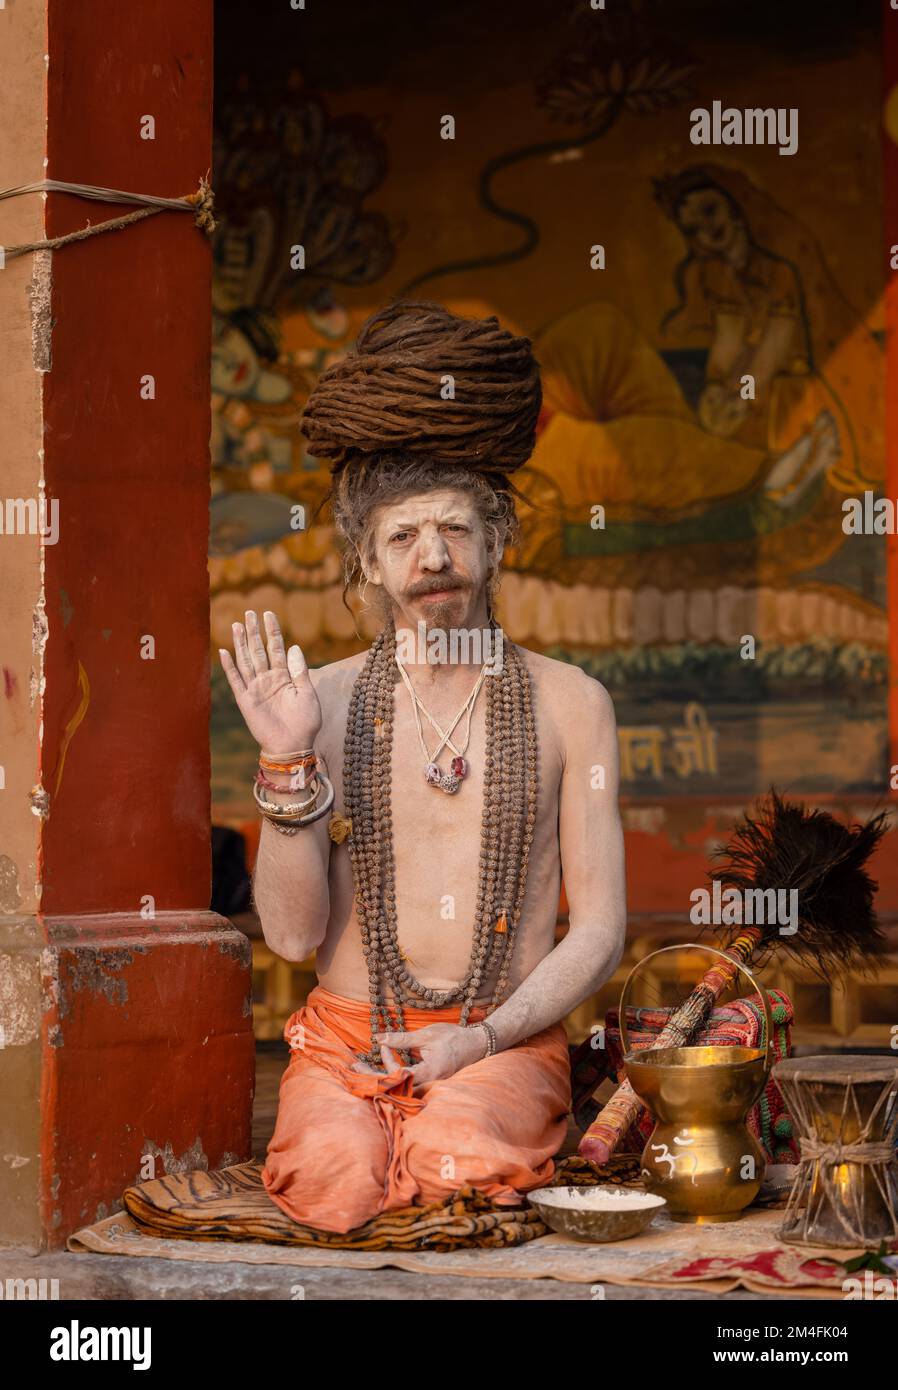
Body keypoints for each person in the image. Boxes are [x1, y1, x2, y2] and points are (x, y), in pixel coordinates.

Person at [219, 299, 627, 1234]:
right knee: (334, 1184)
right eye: (402, 537)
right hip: (343, 1045)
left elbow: (599, 929)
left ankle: (453, 1124)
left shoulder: (572, 703)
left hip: (499, 1041)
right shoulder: (314, 701)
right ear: (364, 562)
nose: (432, 558)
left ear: (496, 543)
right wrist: (286, 759)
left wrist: (477, 1042)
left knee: (458, 1162)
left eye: (453, 530)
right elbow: (288, 939)